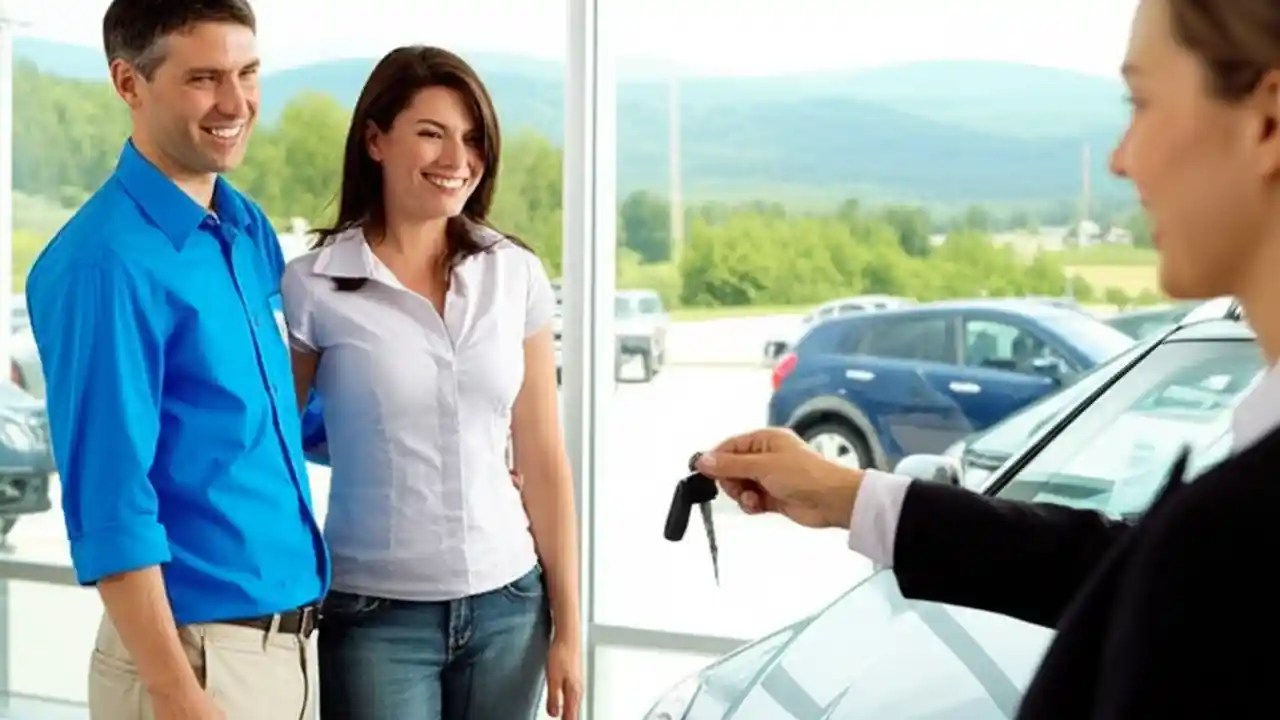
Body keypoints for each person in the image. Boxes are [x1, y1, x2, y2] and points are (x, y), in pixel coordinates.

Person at [693, 0, 1279, 717]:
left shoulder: (1237, 525)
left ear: (1267, 121)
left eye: (1142, 102)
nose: (1121, 159)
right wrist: (846, 495)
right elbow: (1112, 567)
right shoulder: (1236, 513)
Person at [24, 2, 328, 719]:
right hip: (194, 664)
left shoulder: (245, 228)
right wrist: (175, 691)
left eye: (247, 73)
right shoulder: (104, 264)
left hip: (289, 653)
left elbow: (273, 425)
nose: (236, 103)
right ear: (129, 83)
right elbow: (109, 498)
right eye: (204, 79)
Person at [280, 46, 583, 720]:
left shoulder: (514, 273)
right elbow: (272, 453)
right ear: (376, 140)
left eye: (472, 139)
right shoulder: (314, 284)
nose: (457, 159)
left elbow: (542, 457)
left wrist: (569, 627)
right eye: (431, 133)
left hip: (511, 606)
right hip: (374, 616)